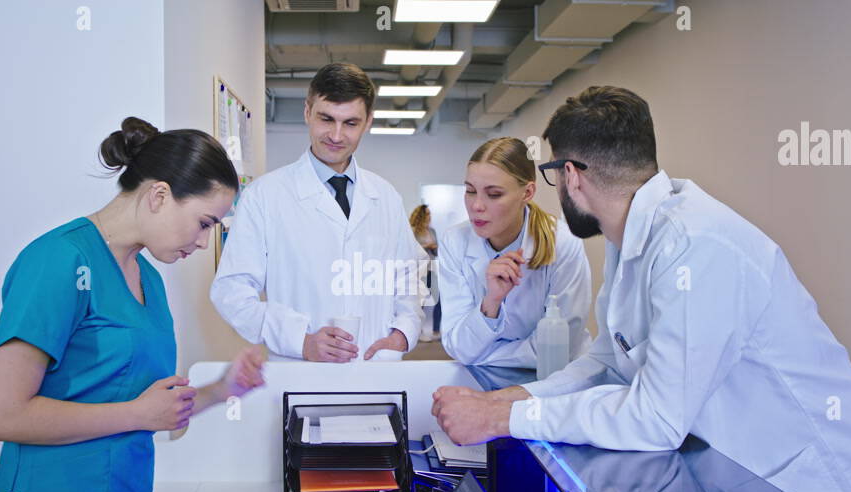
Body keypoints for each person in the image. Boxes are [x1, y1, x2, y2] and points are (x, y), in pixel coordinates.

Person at [432, 86, 851, 492]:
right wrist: (510, 397)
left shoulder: (698, 245)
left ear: (570, 176)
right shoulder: (629, 237)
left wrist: (503, 419)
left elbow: (657, 418)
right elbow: (607, 361)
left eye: (551, 175)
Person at [0, 117, 265, 492]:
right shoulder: (59, 260)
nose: (206, 242)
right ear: (159, 195)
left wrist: (222, 389)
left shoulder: (148, 277)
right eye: (204, 223)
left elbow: (154, 409)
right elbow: (1, 415)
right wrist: (136, 413)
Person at [211, 62, 425, 363]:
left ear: (367, 123)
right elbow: (231, 292)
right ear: (307, 112)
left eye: (350, 123)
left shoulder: (385, 196)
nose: (336, 135)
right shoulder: (265, 196)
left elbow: (411, 275)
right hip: (300, 372)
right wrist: (300, 340)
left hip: (376, 370)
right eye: (326, 119)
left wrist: (403, 333)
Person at [439, 137, 592, 368]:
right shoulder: (455, 241)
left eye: (494, 194)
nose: (476, 206)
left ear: (527, 192)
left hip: (556, 378)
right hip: (485, 375)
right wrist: (491, 302)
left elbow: (560, 348)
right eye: (470, 191)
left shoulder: (563, 242)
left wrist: (483, 354)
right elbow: (457, 345)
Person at [409, 204, 441, 342]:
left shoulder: (432, 231)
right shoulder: (413, 231)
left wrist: (434, 248)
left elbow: (437, 252)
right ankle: (418, 331)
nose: (429, 217)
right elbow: (410, 250)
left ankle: (436, 331)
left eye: (430, 214)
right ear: (421, 215)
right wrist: (425, 247)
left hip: (431, 269)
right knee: (419, 302)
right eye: (427, 214)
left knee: (437, 300)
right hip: (418, 270)